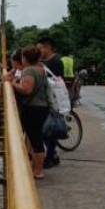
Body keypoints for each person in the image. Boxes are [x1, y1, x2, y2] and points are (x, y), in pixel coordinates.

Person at [3, 46, 50, 179]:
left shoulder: (29, 70)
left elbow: (26, 89)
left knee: (35, 140)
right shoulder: (40, 68)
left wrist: (12, 83)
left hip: (33, 109)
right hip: (42, 107)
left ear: (25, 58)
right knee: (35, 138)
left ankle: (38, 171)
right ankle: (36, 168)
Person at [36, 37, 64, 168]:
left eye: (40, 48)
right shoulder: (43, 61)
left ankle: (51, 157)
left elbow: (57, 81)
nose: (39, 51)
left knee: (49, 130)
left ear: (48, 47)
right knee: (46, 130)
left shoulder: (56, 61)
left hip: (52, 100)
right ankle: (52, 155)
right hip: (45, 99)